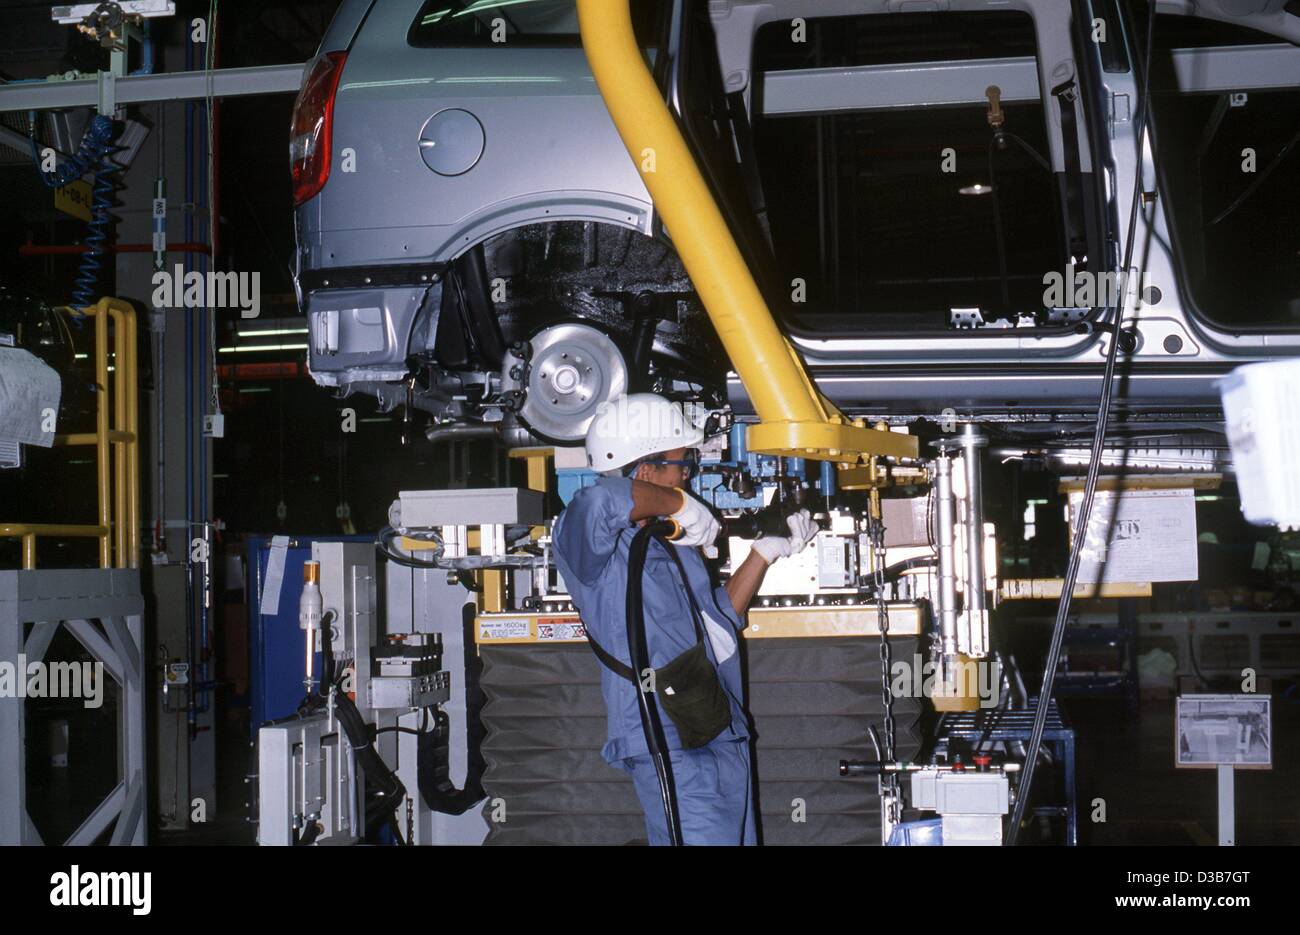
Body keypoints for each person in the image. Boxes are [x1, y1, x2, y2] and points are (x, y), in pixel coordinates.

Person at [552, 393, 817, 845]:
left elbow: (715, 624)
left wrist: (763, 554)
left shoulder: (670, 547)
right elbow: (599, 502)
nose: (688, 477)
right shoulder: (591, 543)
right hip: (668, 734)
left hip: (715, 724)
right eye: (682, 464)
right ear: (644, 469)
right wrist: (678, 505)